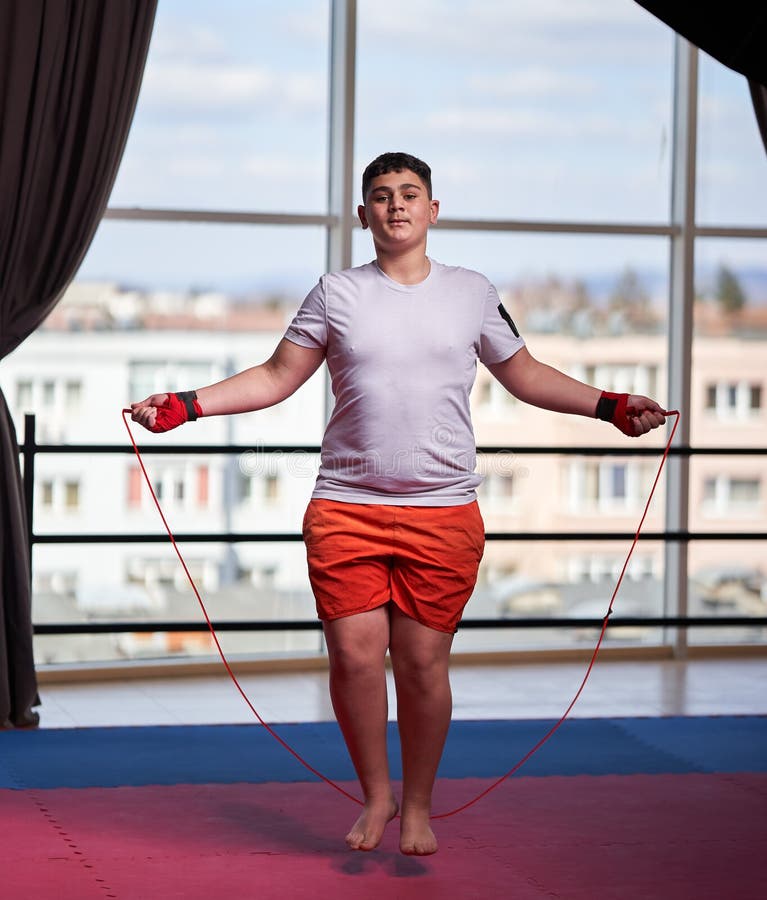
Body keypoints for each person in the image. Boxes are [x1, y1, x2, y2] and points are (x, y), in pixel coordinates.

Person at [131, 151, 667, 856]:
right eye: (380, 196)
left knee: (419, 665)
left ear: (433, 210)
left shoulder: (471, 292)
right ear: (363, 215)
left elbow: (525, 375)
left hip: (442, 511)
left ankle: (417, 806)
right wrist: (186, 406)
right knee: (355, 659)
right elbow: (275, 376)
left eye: (409, 194)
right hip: (345, 505)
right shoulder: (335, 292)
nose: (395, 206)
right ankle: (375, 795)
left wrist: (610, 406)